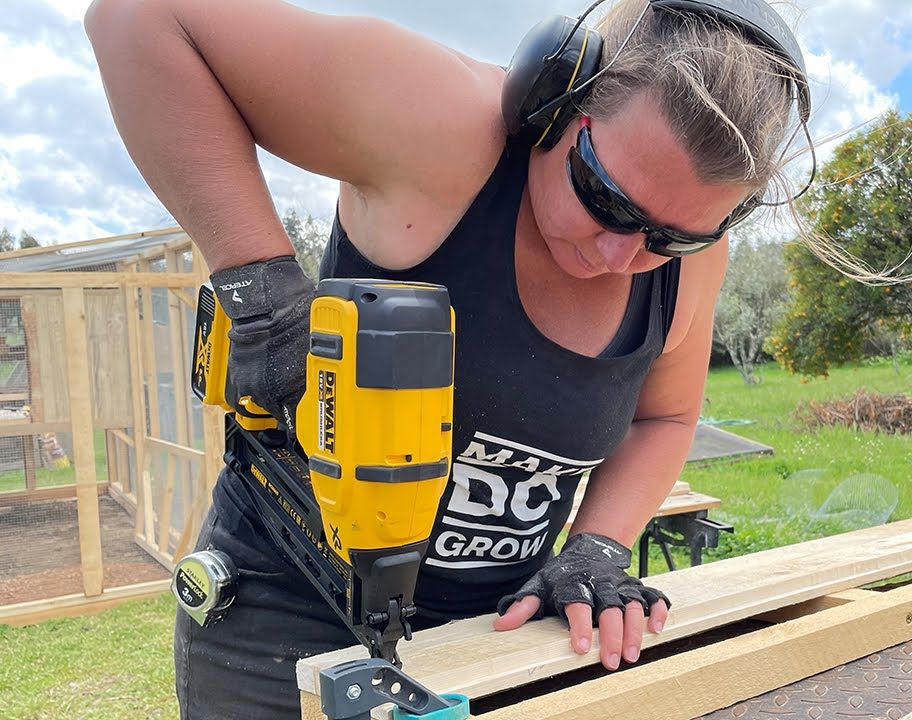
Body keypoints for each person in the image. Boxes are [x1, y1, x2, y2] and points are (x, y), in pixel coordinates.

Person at [86, 0, 811, 717]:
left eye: (670, 238)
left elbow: (668, 415)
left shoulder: (695, 260)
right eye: (605, 198)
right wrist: (259, 284)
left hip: (491, 638)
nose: (622, 257)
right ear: (556, 97)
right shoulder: (444, 122)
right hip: (284, 612)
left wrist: (597, 548)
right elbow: (138, 20)